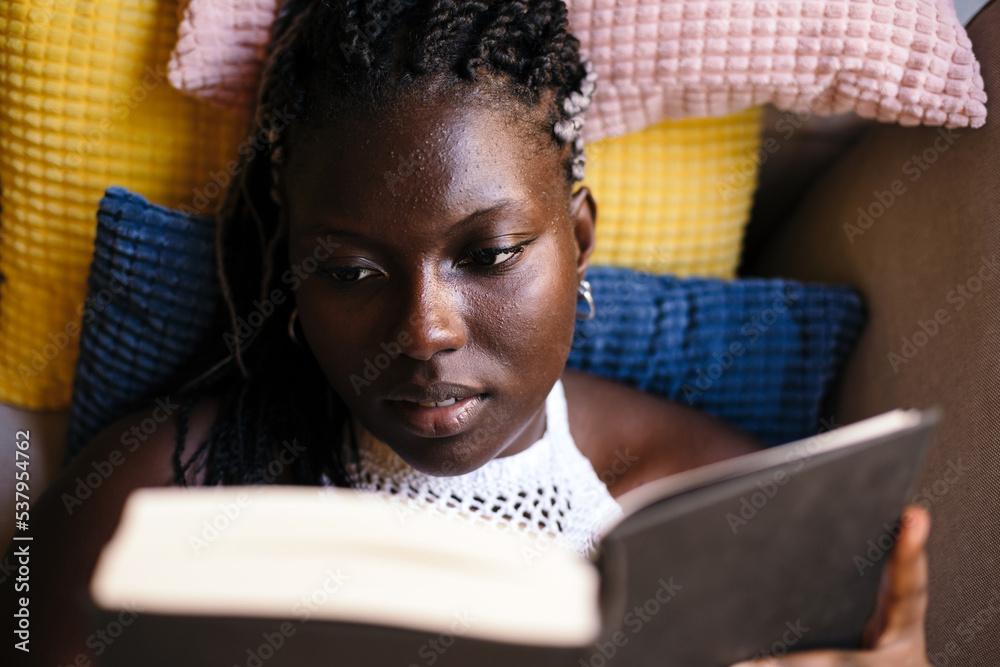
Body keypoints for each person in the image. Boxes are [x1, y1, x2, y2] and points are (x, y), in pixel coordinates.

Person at [17, 1, 932, 664]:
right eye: (349, 272)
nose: (424, 330)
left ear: (578, 242)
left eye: (488, 255)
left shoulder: (728, 514)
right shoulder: (145, 507)